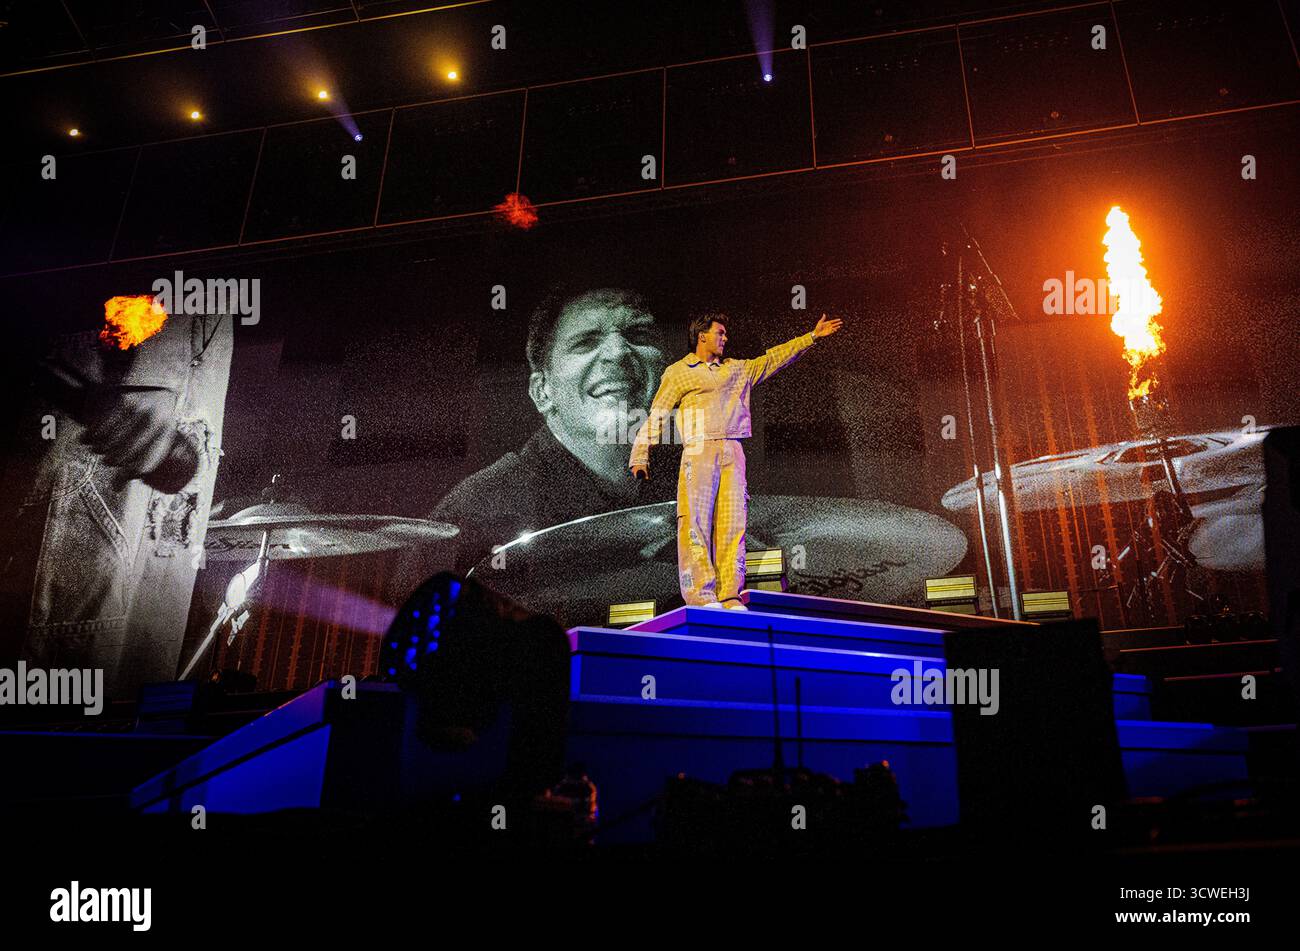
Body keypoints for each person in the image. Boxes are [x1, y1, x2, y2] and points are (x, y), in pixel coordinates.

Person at [428, 286, 677, 572]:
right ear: (542, 392)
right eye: (586, 342)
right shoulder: (473, 516)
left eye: (638, 335)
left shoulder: (707, 479)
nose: (619, 351)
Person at [629, 311, 844, 609]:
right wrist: (640, 454)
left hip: (733, 450)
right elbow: (658, 413)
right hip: (699, 451)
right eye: (720, 332)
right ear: (702, 335)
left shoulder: (737, 369)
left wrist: (811, 337)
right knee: (696, 524)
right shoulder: (679, 371)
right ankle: (701, 595)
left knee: (733, 525)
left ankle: (730, 595)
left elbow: (772, 359)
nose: (725, 338)